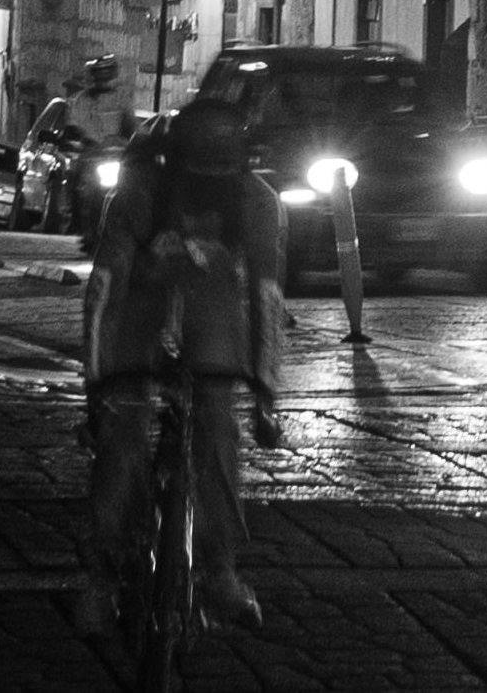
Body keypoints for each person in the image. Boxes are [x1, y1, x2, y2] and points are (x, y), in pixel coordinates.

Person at [75, 97, 286, 635]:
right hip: (139, 304)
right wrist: (98, 384)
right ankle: (101, 577)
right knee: (123, 434)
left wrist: (264, 390)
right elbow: (104, 287)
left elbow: (266, 296)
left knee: (217, 430)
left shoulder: (258, 202)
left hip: (213, 309)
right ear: (172, 163)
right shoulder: (140, 189)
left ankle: (219, 570)